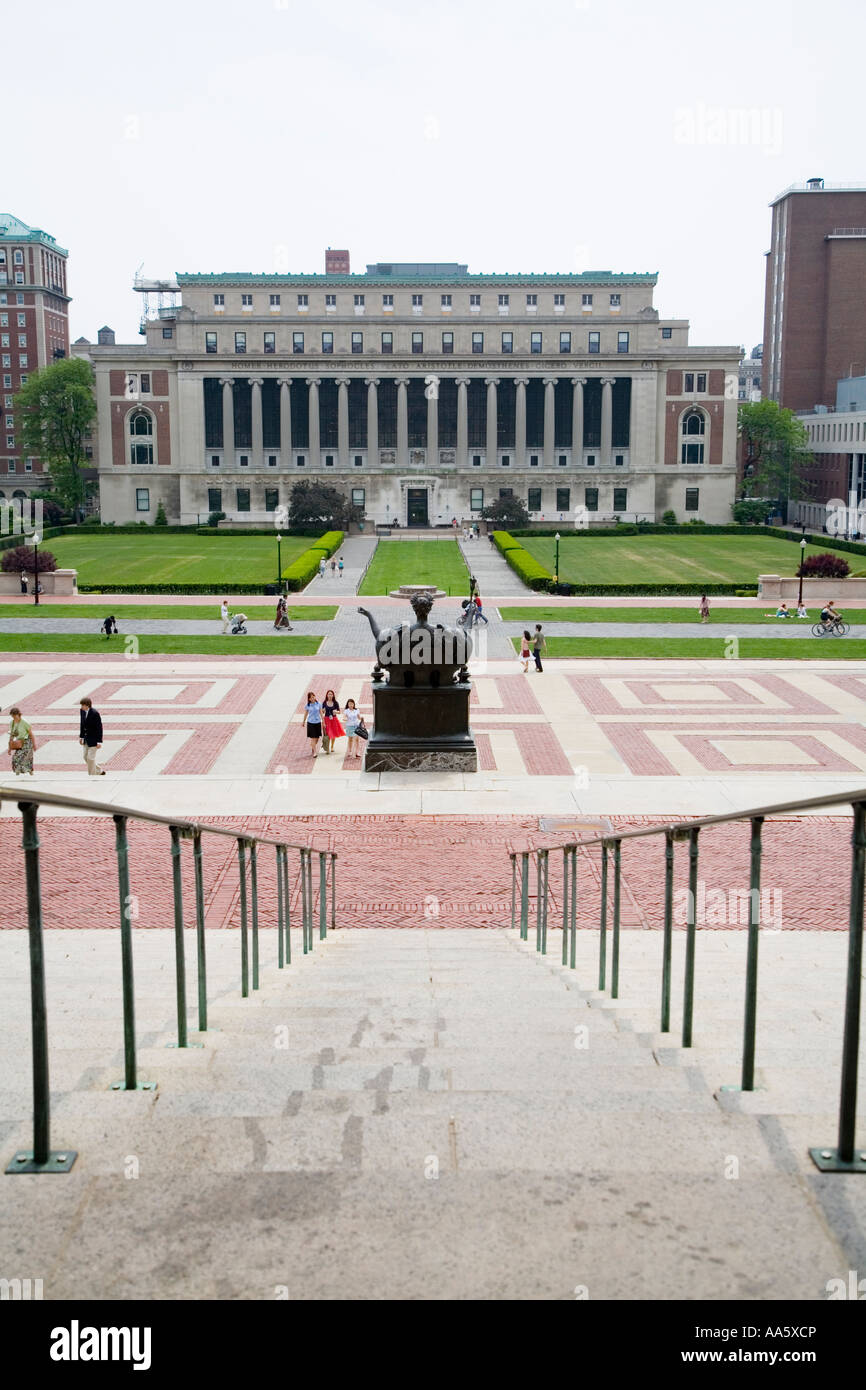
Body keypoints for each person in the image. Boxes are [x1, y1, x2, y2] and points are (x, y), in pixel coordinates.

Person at [79, 697, 106, 776]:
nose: (81, 707)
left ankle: (92, 776)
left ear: (87, 705)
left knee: (90, 758)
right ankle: (99, 771)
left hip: (94, 740)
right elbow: (82, 724)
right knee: (85, 757)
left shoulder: (95, 713)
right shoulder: (82, 711)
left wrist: (99, 741)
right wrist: (81, 737)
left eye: (82, 705)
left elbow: (99, 728)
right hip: (86, 739)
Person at [7, 705, 36, 776]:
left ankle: (30, 770)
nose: (14, 718)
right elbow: (12, 735)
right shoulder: (12, 723)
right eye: (12, 716)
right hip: (19, 742)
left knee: (27, 757)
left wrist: (34, 745)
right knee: (16, 757)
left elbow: (31, 734)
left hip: (27, 741)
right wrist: (9, 748)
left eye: (15, 716)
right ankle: (18, 770)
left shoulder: (24, 722)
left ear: (18, 714)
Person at [321, 689, 344, 755]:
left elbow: (339, 711)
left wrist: (336, 712)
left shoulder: (335, 703)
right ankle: (327, 748)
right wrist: (323, 710)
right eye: (329, 694)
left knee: (333, 733)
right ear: (327, 695)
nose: (330, 695)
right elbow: (322, 712)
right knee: (328, 734)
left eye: (331, 694)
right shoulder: (324, 702)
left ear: (333, 695)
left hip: (333, 719)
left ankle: (332, 746)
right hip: (327, 719)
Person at [303, 692, 322, 756]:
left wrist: (323, 721)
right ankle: (315, 752)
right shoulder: (308, 706)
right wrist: (303, 721)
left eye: (313, 696)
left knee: (317, 738)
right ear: (309, 699)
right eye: (311, 697)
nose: (313, 698)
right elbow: (306, 714)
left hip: (318, 722)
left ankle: (312, 745)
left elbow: (321, 713)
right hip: (310, 723)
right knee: (313, 738)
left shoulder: (318, 704)